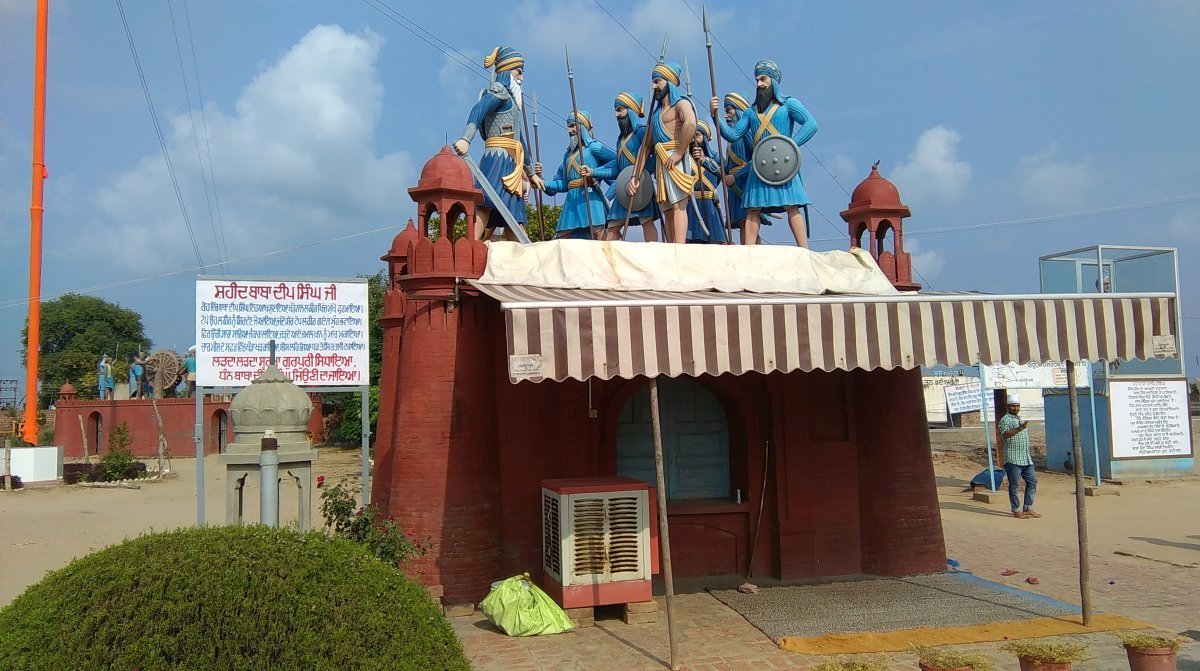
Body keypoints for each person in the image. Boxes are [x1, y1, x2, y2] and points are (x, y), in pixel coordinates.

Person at [710, 60, 817, 246]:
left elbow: (811, 124)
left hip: (784, 165)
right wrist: (715, 116)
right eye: (757, 80)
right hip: (760, 168)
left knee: (792, 206)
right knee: (752, 210)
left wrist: (790, 146)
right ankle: (749, 251)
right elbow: (733, 135)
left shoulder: (789, 104)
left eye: (763, 79)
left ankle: (804, 250)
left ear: (773, 80)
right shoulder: (750, 112)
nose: (759, 84)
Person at [452, 45, 544, 240]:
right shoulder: (499, 91)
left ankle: (525, 254)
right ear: (507, 70)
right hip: (497, 158)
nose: (521, 78)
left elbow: (519, 140)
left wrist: (531, 174)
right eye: (519, 72)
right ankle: (470, 248)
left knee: (514, 214)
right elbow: (478, 110)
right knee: (485, 203)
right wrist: (466, 139)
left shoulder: (511, 101)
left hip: (511, 162)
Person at [628, 62, 697, 244]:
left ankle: (679, 247)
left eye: (658, 81)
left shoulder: (681, 104)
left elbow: (690, 123)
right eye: (653, 82)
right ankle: (672, 246)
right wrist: (635, 176)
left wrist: (679, 153)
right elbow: (646, 146)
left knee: (678, 205)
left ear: (670, 82)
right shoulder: (656, 114)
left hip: (675, 159)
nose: (654, 86)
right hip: (662, 162)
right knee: (667, 210)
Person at [542, 110, 613, 239]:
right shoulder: (567, 155)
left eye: (573, 125)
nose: (570, 130)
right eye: (568, 126)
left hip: (591, 198)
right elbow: (565, 184)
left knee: (600, 237)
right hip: (571, 202)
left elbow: (616, 162)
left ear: (582, 126)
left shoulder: (594, 147)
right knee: (561, 238)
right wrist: (542, 182)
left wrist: (595, 174)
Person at [597, 92, 658, 241]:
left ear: (631, 110)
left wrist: (643, 174)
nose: (616, 115)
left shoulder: (642, 131)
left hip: (640, 185)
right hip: (623, 187)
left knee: (646, 221)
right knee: (613, 226)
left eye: (620, 110)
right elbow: (617, 168)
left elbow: (657, 155)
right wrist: (593, 172)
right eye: (616, 111)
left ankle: (653, 252)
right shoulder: (621, 140)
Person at [686, 120, 727, 244]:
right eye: (691, 135)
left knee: (715, 240)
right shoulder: (685, 159)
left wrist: (705, 161)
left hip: (710, 204)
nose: (693, 139)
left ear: (704, 137)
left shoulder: (716, 158)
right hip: (691, 204)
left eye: (697, 135)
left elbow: (726, 176)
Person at [999, 393, 1040, 519]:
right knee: (1015, 485)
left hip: (1025, 458)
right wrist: (1020, 428)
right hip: (1013, 459)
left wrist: (1021, 427)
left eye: (1017, 406)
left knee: (1032, 482)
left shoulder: (1019, 418)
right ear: (1008, 407)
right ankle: (1016, 510)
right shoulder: (1005, 420)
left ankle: (1028, 508)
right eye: (1013, 406)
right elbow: (1005, 434)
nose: (1015, 408)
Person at [720, 92, 754, 240]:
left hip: (744, 181)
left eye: (729, 110)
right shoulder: (731, 141)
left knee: (749, 221)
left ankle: (752, 250)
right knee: (742, 223)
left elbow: (757, 158)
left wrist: (736, 176)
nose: (726, 115)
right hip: (733, 184)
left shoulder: (746, 132)